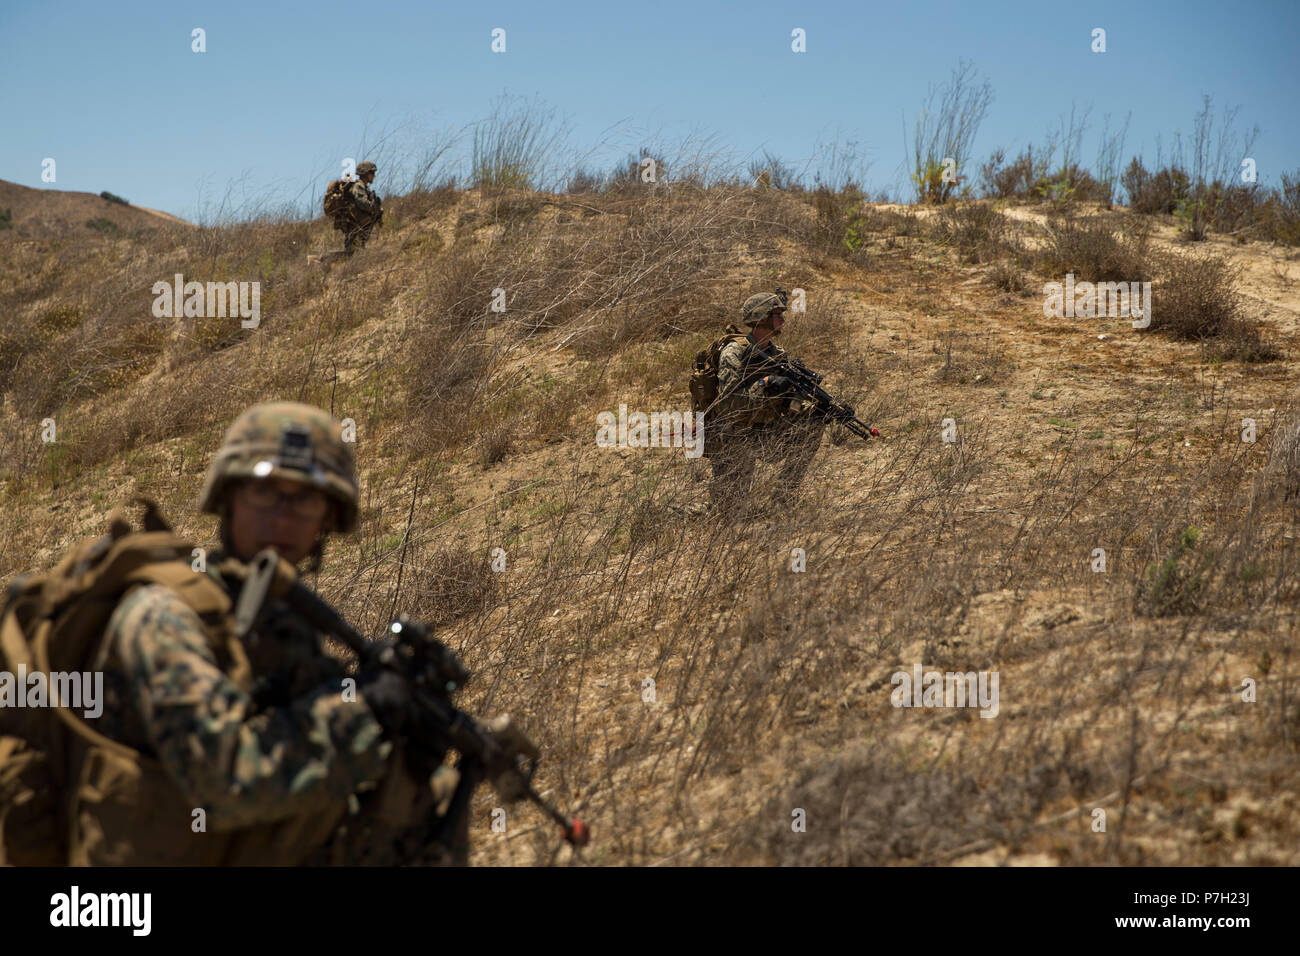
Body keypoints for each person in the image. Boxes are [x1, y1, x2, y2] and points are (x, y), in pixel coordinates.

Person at [76, 401, 515, 864]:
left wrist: (406, 762)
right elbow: (224, 782)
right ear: (228, 499)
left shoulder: (278, 623)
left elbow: (310, 775)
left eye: (304, 498)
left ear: (327, 520)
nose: (283, 518)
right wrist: (365, 712)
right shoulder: (165, 616)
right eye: (265, 492)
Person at [707, 290, 826, 514]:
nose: (782, 320)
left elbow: (785, 399)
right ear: (762, 318)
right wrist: (764, 382)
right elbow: (728, 403)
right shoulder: (734, 353)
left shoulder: (776, 354)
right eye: (777, 314)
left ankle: (783, 494)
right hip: (733, 433)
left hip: (764, 429)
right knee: (729, 512)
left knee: (813, 424)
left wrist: (806, 402)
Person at [331, 160, 383, 255]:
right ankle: (321, 261)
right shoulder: (358, 186)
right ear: (365, 174)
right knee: (352, 250)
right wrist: (373, 206)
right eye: (372, 173)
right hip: (355, 223)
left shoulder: (363, 187)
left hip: (357, 223)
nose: (374, 176)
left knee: (355, 249)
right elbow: (362, 203)